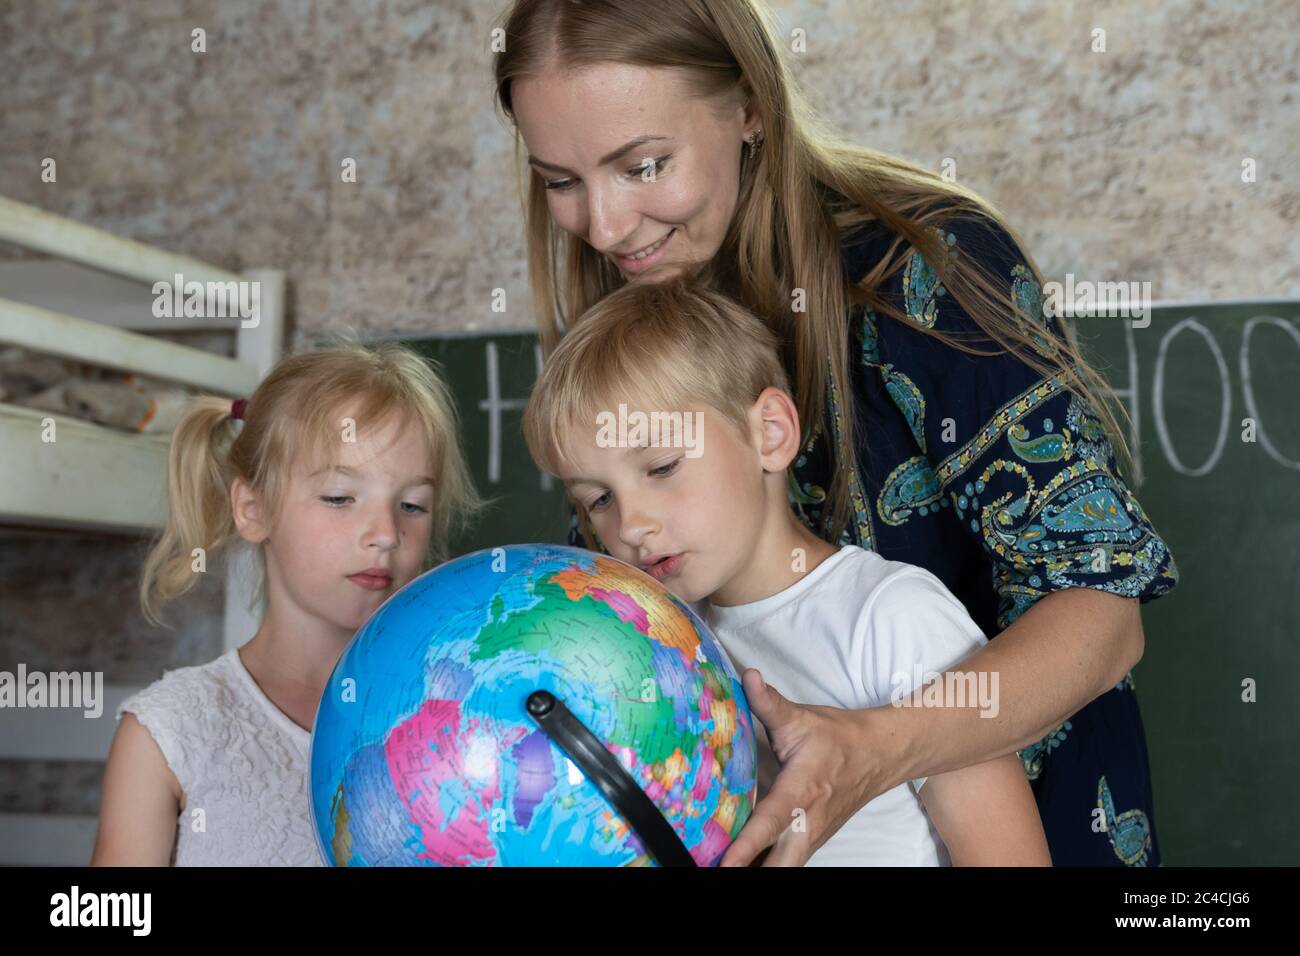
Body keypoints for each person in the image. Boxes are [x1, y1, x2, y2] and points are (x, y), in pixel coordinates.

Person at [492, 0, 1179, 866]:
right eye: (560, 180)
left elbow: (1103, 616)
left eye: (644, 165)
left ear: (749, 105)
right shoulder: (619, 327)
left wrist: (870, 749)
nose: (605, 226)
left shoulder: (926, 268)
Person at [522, 275, 1051, 865]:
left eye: (663, 465)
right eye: (598, 499)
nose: (630, 524)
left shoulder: (890, 616)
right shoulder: (658, 645)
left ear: (769, 434)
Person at [90, 342, 482, 865]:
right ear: (253, 508)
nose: (386, 533)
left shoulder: (463, 706)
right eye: (340, 497)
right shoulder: (171, 730)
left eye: (412, 505)